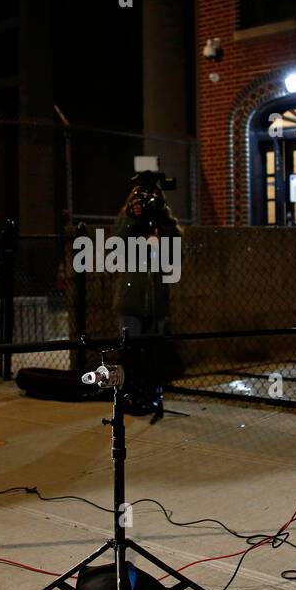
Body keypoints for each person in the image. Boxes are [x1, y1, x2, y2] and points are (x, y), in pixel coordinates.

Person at [113, 176, 181, 417]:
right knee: (130, 352)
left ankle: (151, 395)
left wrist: (163, 215)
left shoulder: (162, 221)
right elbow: (115, 245)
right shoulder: (128, 219)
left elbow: (176, 248)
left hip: (157, 299)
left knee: (153, 352)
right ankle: (129, 397)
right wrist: (131, 216)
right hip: (131, 298)